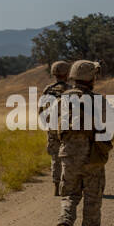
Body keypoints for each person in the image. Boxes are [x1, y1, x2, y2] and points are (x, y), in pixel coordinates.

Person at [56, 60, 114, 226]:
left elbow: (52, 127)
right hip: (92, 157)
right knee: (92, 197)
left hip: (67, 156)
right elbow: (111, 131)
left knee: (70, 195)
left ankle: (65, 224)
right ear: (91, 78)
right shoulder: (98, 100)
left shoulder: (62, 99)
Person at [41, 61, 70, 195]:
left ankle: (55, 186)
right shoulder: (70, 88)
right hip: (65, 127)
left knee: (55, 157)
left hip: (51, 126)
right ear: (67, 73)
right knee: (66, 156)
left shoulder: (47, 89)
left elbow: (41, 109)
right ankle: (66, 185)